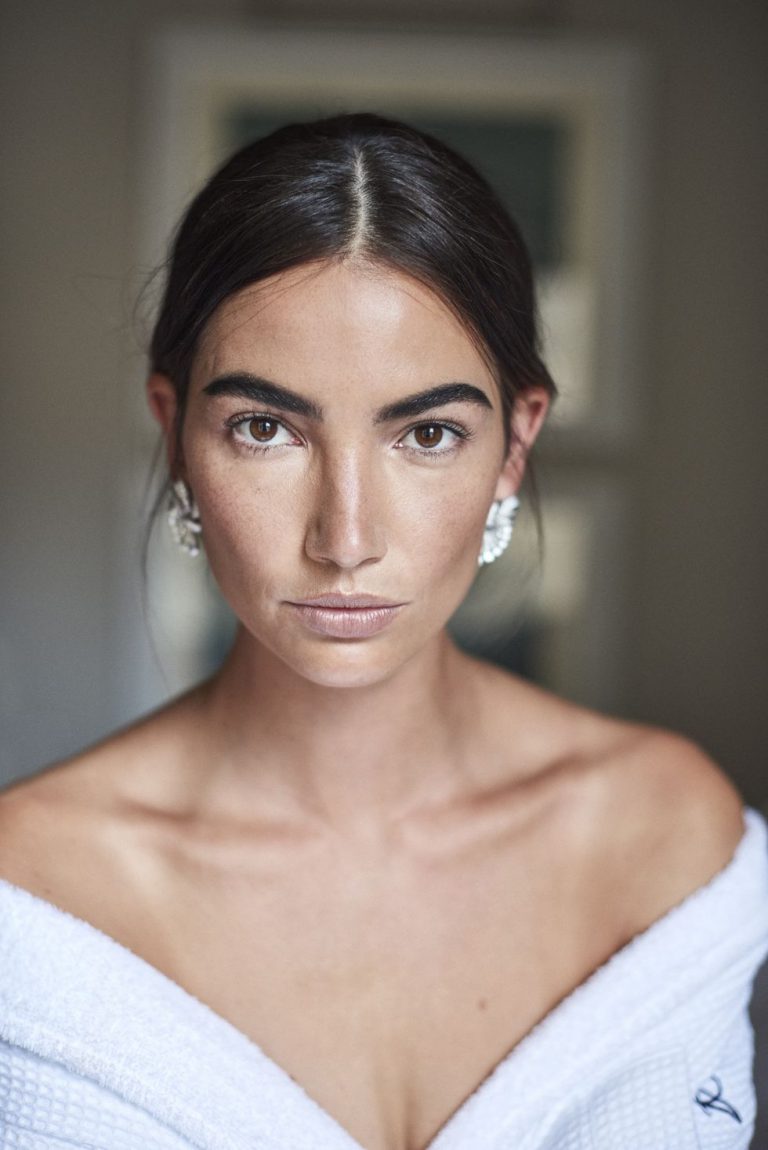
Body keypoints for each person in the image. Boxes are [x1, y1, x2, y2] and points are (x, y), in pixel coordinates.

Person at [0, 113, 766, 1150]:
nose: (345, 538)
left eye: (429, 433)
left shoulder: (667, 833)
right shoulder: (31, 893)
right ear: (176, 433)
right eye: (265, 427)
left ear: (514, 445)